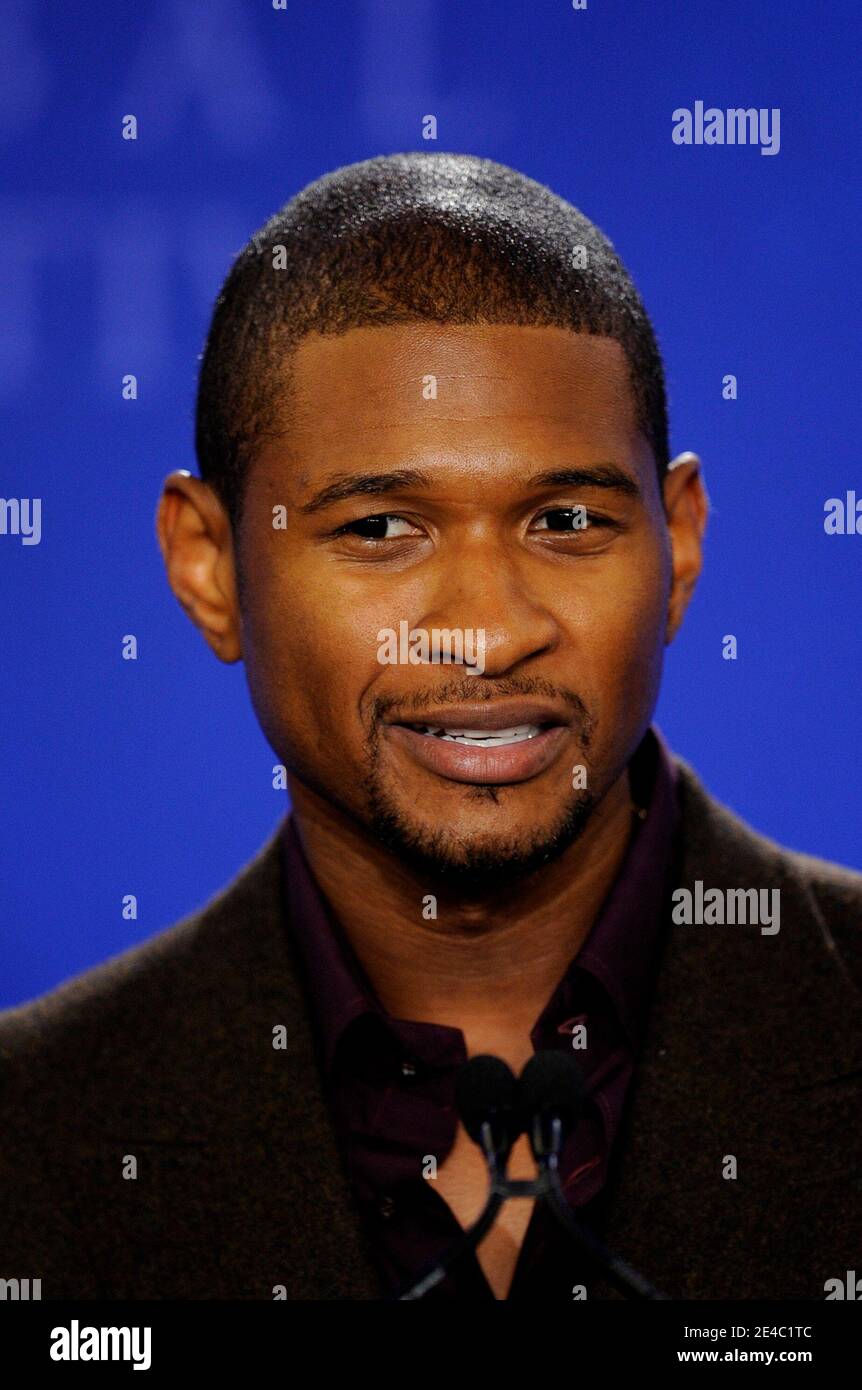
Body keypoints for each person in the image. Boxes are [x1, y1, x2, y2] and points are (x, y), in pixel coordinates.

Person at [1, 153, 860, 1302]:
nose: (486, 632)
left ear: (680, 544)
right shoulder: (33, 1134)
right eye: (379, 529)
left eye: (565, 519)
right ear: (208, 568)